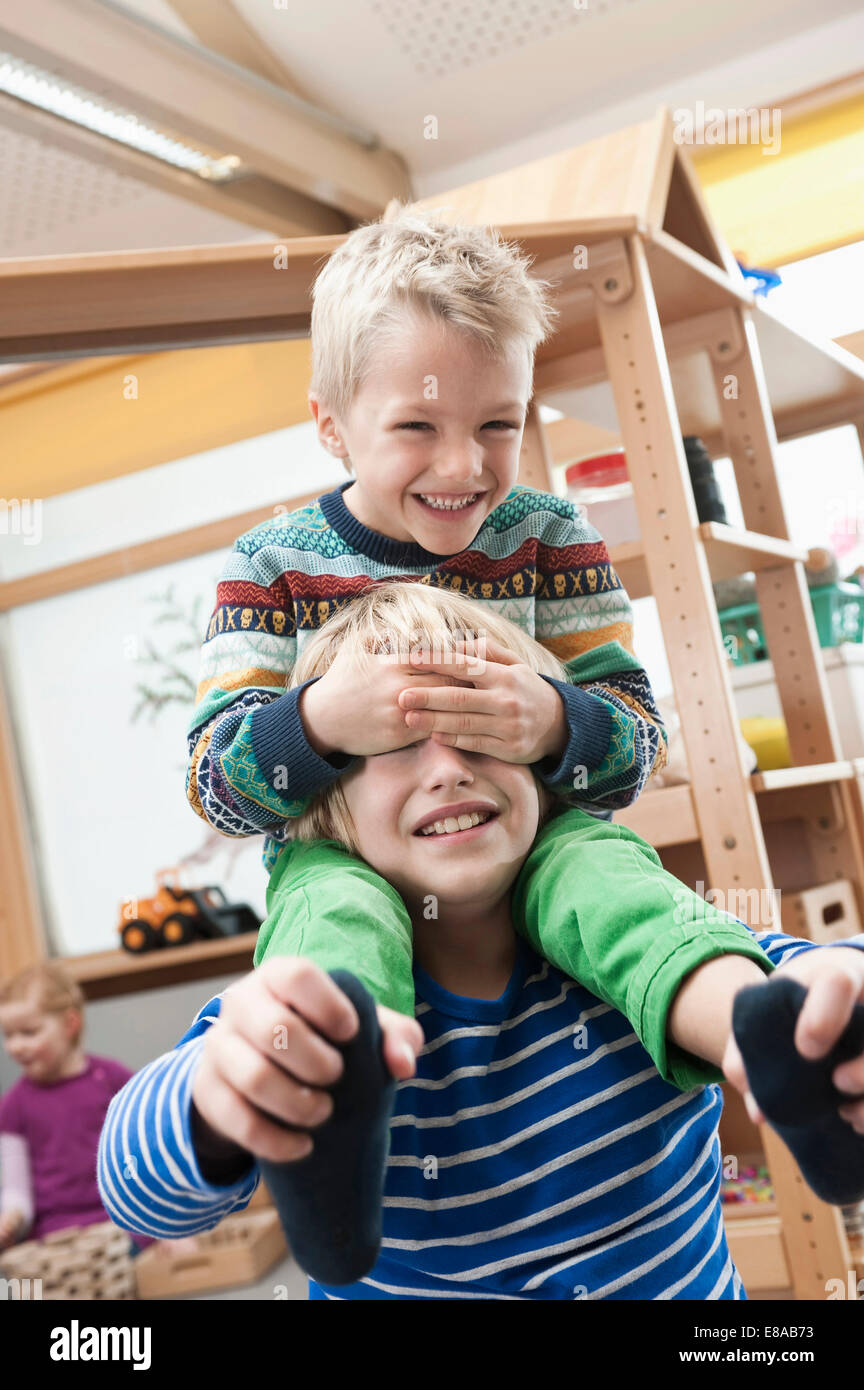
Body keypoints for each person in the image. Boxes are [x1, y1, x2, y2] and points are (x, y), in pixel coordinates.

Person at [101, 583, 864, 1299]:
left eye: (483, 729)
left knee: (751, 992)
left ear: (544, 765)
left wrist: (830, 1011)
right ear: (331, 810)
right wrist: (216, 1100)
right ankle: (339, 1075)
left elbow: (803, 972)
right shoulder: (298, 996)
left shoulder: (643, 930)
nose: (448, 769)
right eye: (395, 744)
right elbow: (139, 1192)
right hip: (338, 1040)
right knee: (317, 1030)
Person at [184, 202, 773, 1039]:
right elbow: (217, 790)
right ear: (331, 426)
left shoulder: (553, 538)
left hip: (537, 845)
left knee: (614, 882)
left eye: (499, 423)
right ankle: (339, 1096)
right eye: (417, 427)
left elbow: (636, 751)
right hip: (348, 866)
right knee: (333, 915)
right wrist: (319, 720)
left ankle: (756, 1033)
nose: (464, 465)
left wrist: (553, 722)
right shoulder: (267, 569)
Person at [0, 963, 156, 1254]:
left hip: (123, 1229)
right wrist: (10, 1221)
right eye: (8, 1035)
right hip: (56, 1241)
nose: (15, 1047)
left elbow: (147, 1156)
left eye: (29, 1033)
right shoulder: (12, 1106)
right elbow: (16, 1191)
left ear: (70, 1024)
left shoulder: (113, 1081)